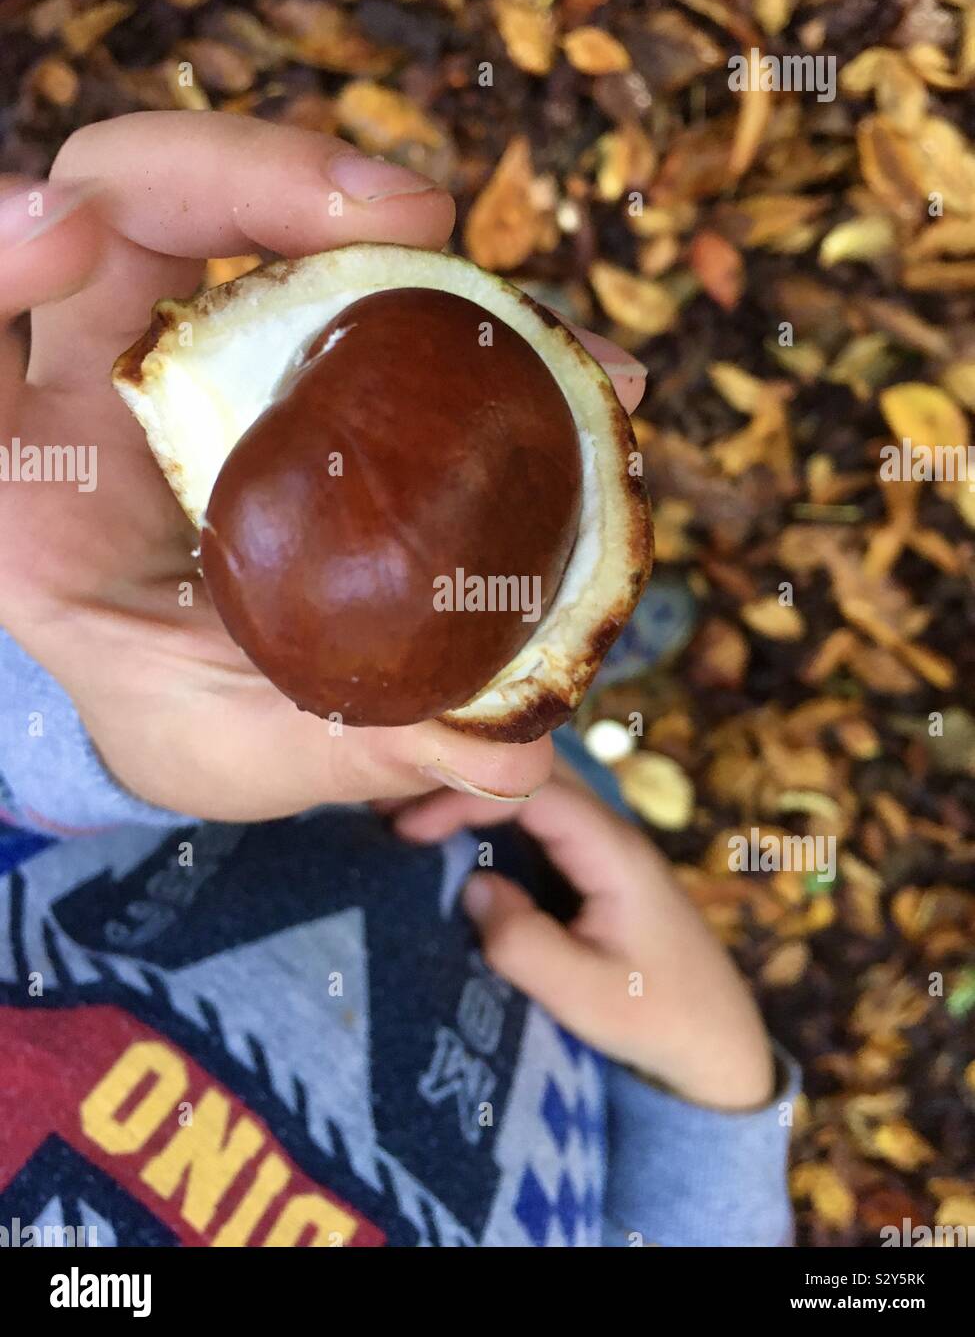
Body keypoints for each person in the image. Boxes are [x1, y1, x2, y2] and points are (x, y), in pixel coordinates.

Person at [0, 113, 796, 1248]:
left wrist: (71, 685)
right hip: (539, 909)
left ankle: (574, 650)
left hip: (226, 752)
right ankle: (573, 673)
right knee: (504, 733)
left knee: (506, 715)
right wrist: (713, 1096)